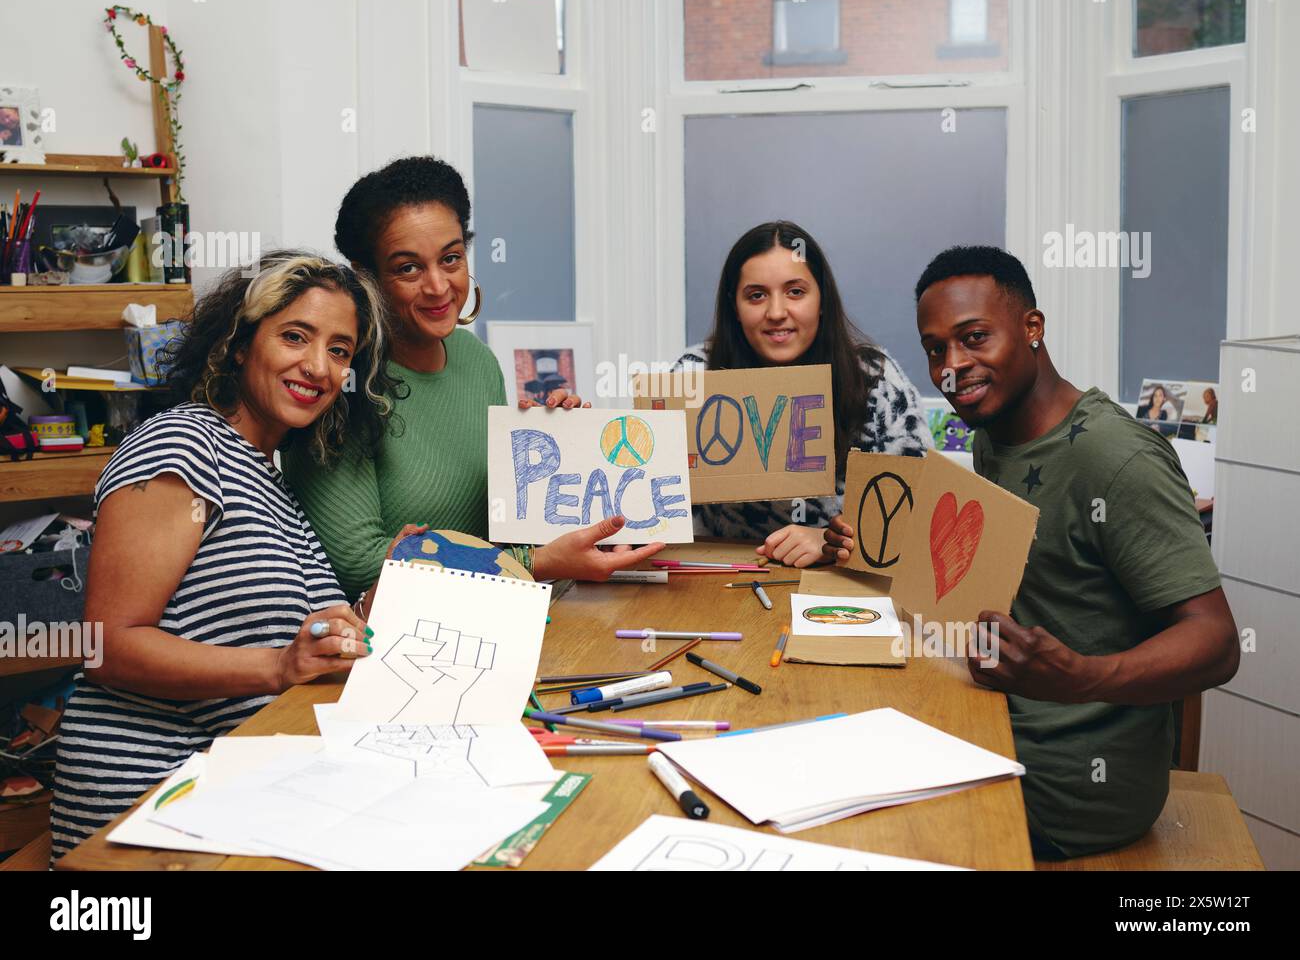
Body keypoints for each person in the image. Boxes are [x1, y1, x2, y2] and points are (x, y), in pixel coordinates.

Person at [823, 245, 1239, 858]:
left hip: (1072, 786)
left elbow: (1219, 642)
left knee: (847, 826)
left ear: (1032, 329)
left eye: (974, 338)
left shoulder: (1115, 458)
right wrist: (888, 551)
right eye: (935, 349)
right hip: (993, 725)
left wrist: (1081, 676)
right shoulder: (997, 432)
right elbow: (1038, 579)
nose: (952, 367)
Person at [50, 251, 401, 860]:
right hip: (148, 809)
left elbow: (270, 629)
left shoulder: (269, 476)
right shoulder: (182, 445)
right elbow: (107, 646)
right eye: (295, 336)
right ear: (240, 344)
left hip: (242, 793)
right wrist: (278, 667)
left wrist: (369, 607)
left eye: (340, 350)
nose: (318, 366)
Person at [284, 156, 663, 599]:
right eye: (408, 268)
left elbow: (500, 531)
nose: (439, 287)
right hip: (396, 645)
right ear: (364, 275)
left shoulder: (477, 361)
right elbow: (359, 564)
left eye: (450, 258)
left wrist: (555, 462)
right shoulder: (339, 384)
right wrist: (534, 565)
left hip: (500, 618)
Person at [671, 220, 930, 566]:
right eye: (756, 295)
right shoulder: (696, 375)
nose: (776, 313)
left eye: (795, 292)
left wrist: (829, 540)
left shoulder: (875, 378)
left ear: (822, 300)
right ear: (735, 306)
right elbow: (653, 490)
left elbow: (917, 505)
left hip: (843, 584)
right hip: (722, 578)